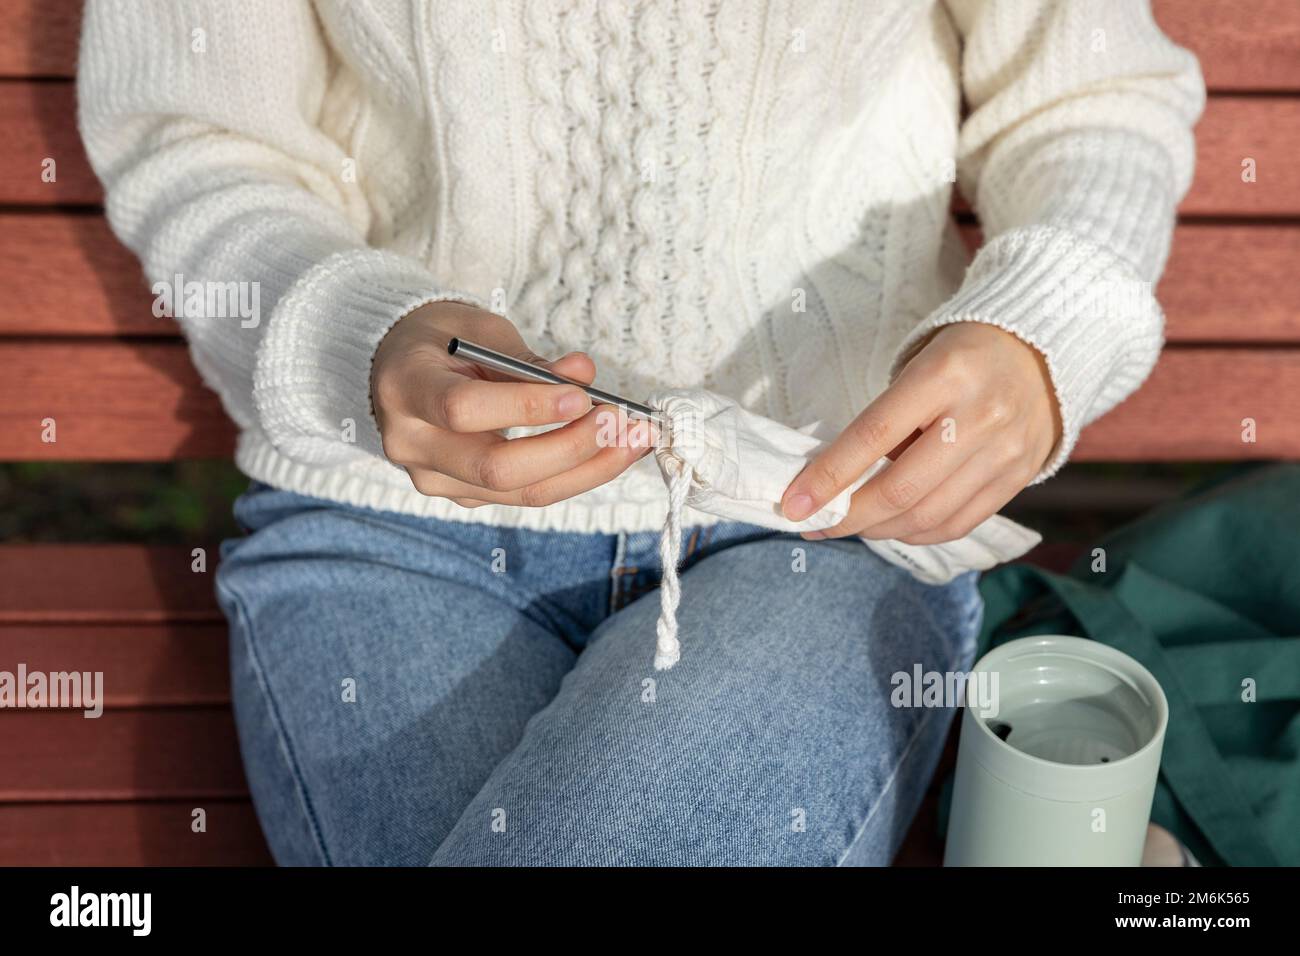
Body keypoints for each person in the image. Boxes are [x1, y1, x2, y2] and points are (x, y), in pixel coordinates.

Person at [77, 0, 1204, 865]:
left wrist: (1035, 331)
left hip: (817, 514)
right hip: (390, 506)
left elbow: (1091, 103)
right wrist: (352, 336)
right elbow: (196, 136)